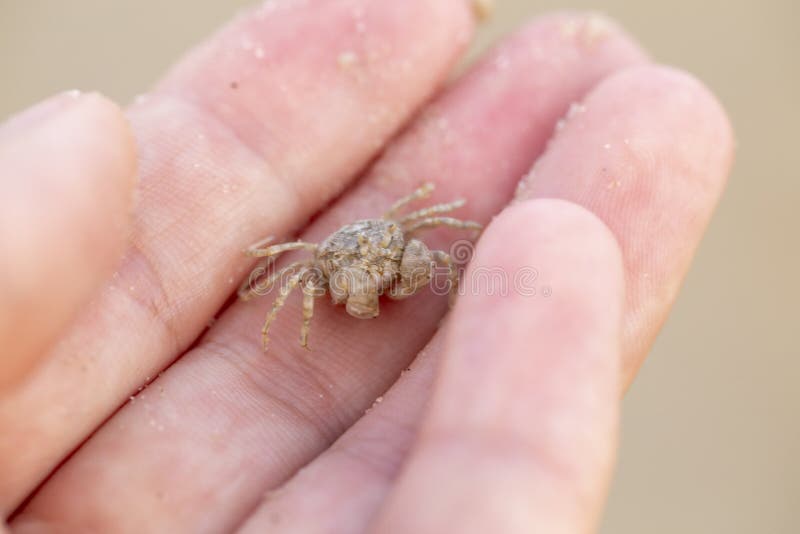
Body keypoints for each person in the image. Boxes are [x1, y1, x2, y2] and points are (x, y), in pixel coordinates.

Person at [0, 2, 732, 532]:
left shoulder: (407, 232)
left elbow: (428, 218)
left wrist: (407, 258)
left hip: (380, 236)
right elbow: (291, 276)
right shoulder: (317, 268)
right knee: (293, 268)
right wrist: (296, 301)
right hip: (343, 254)